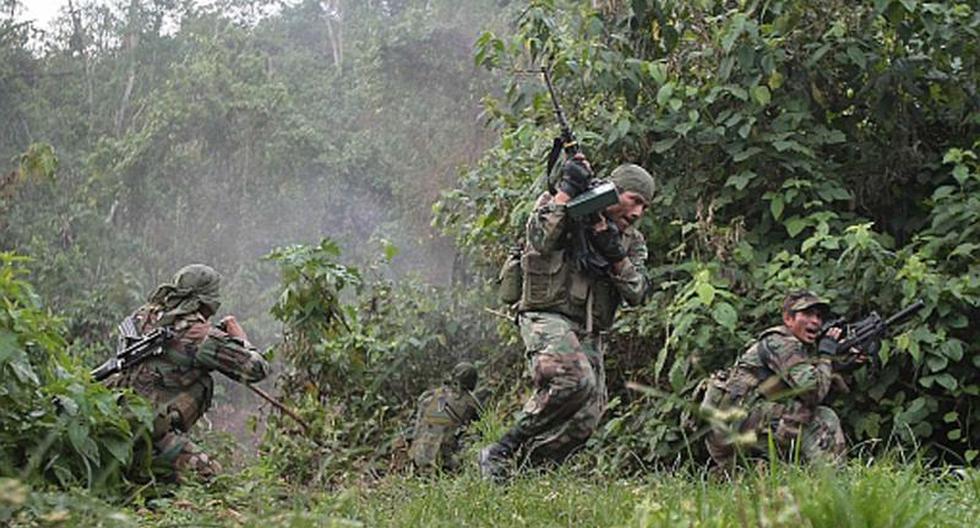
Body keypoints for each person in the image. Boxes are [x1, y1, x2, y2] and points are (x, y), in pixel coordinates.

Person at [479, 156, 655, 480]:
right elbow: (539, 240)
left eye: (645, 206)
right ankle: (502, 449)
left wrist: (615, 255)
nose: (637, 213)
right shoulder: (563, 205)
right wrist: (567, 191)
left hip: (588, 330)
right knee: (575, 378)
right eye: (635, 201)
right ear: (615, 191)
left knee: (587, 417)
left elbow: (639, 292)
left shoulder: (631, 241)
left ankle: (528, 474)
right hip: (546, 314)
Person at [104, 264, 269, 481]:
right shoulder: (201, 337)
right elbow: (257, 369)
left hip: (114, 419)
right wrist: (241, 339)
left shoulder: (143, 317)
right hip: (149, 435)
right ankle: (149, 469)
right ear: (207, 299)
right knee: (212, 478)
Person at [700, 290, 850, 468]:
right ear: (788, 319)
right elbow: (814, 392)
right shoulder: (780, 342)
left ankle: (758, 471)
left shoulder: (800, 349)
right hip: (733, 426)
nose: (816, 321)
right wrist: (827, 354)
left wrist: (847, 361)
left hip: (739, 425)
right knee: (820, 417)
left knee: (802, 414)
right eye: (808, 314)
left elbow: (821, 387)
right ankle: (833, 479)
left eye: (819, 316)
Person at [408, 362, 483, 472]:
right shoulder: (470, 402)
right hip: (443, 463)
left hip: (417, 458)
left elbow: (415, 426)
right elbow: (481, 429)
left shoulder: (429, 395)